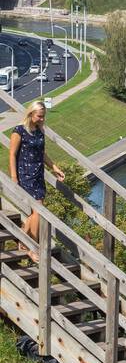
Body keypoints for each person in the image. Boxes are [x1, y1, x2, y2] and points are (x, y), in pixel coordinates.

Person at [8, 100, 65, 262]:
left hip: (38, 174)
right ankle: (32, 247)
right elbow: (12, 154)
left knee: (37, 211)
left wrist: (54, 167)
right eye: (39, 116)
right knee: (39, 211)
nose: (42, 119)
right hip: (25, 174)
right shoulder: (19, 131)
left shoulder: (40, 131)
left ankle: (23, 235)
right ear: (31, 114)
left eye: (43, 117)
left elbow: (42, 153)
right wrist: (14, 177)